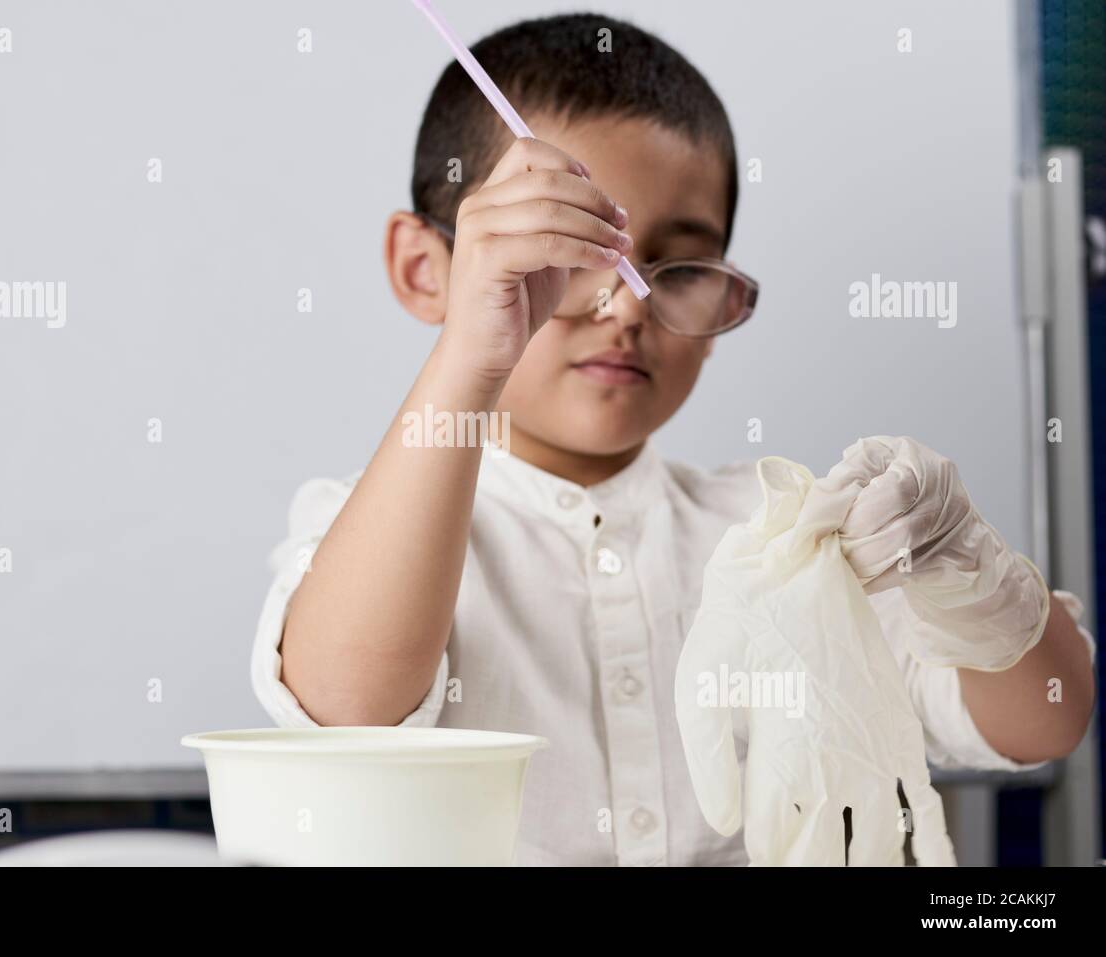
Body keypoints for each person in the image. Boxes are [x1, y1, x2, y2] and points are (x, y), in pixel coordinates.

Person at [250, 13, 1096, 865]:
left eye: (682, 270)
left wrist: (972, 573)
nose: (625, 308)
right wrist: (472, 350)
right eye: (568, 252)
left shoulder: (779, 537)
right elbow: (347, 708)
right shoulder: (369, 533)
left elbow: (1045, 720)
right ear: (426, 268)